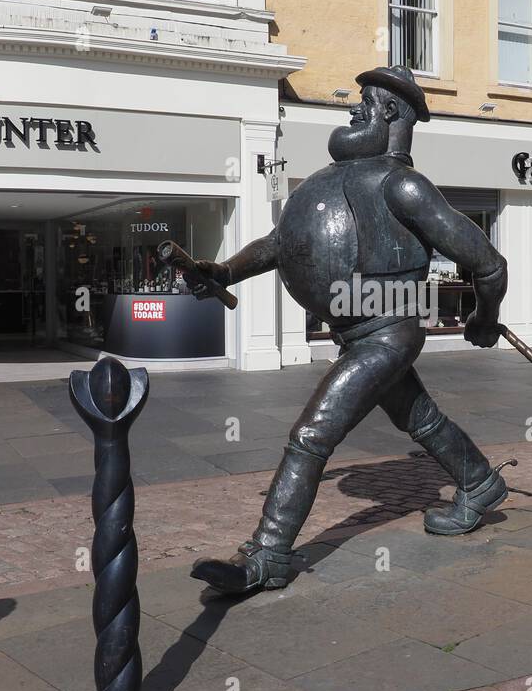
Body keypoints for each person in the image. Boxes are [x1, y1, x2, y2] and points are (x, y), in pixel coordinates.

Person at [186, 66, 510, 595]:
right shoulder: (338, 180)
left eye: (366, 101)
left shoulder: (402, 185)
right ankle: (478, 482)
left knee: (311, 435)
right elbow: (276, 243)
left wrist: (483, 317)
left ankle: (267, 554)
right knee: (421, 421)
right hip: (358, 334)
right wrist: (224, 273)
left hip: (386, 332)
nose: (355, 110)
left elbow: (488, 263)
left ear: (390, 112)